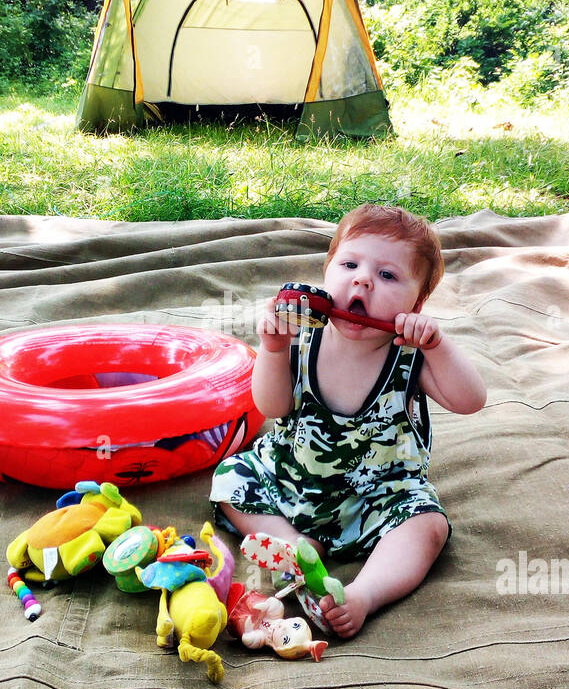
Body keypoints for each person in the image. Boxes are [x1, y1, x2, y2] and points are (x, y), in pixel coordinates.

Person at [209, 204, 487, 638]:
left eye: (388, 275)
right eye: (349, 264)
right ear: (327, 271)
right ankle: (298, 546)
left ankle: (365, 592)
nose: (362, 280)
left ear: (418, 303)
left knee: (428, 526)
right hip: (293, 479)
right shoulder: (302, 338)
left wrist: (437, 344)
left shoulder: (410, 357)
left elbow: (471, 400)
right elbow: (272, 407)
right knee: (231, 477)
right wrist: (274, 349)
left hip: (379, 498)